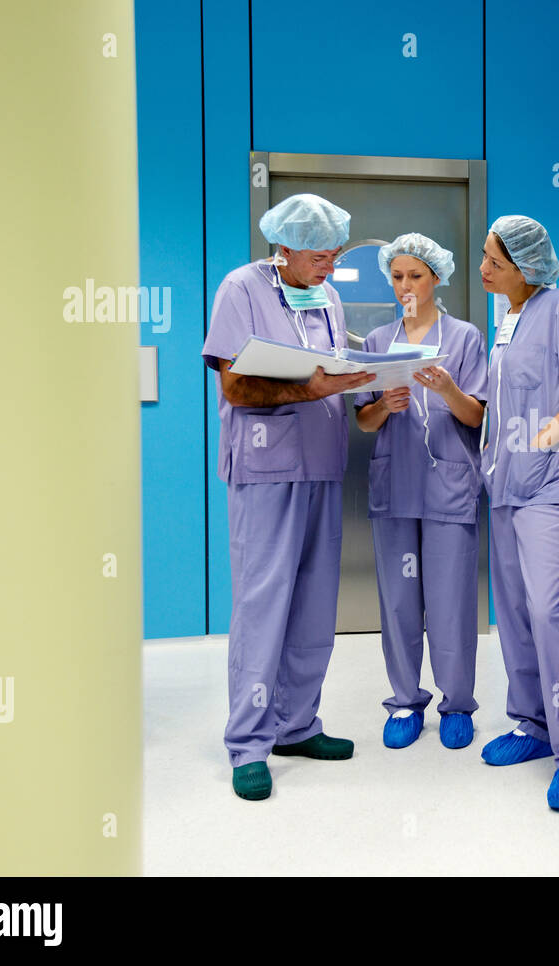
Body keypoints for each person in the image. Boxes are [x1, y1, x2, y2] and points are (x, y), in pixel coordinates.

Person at [200, 194, 375, 801]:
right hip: (265, 466)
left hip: (323, 466)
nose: (329, 266)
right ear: (287, 247)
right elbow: (235, 383)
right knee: (263, 603)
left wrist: (365, 382)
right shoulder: (240, 289)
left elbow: (330, 370)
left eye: (335, 255)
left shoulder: (327, 297)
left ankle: (297, 725)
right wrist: (311, 387)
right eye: (319, 256)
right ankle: (249, 744)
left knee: (314, 606)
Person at [477, 215, 559, 811]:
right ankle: (530, 724)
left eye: (494, 263)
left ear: (525, 268)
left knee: (550, 614)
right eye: (484, 258)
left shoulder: (558, 309)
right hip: (506, 486)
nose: (483, 270)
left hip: (550, 485)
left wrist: (548, 434)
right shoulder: (507, 318)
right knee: (514, 613)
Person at [354, 233, 488, 750]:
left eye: (416, 275)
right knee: (399, 601)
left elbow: (477, 417)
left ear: (435, 277)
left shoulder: (464, 339)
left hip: (448, 484)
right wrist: (384, 405)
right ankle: (406, 701)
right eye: (397, 276)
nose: (406, 285)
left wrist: (446, 389)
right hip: (396, 486)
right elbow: (364, 422)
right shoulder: (376, 343)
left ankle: (457, 704)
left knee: (452, 600)